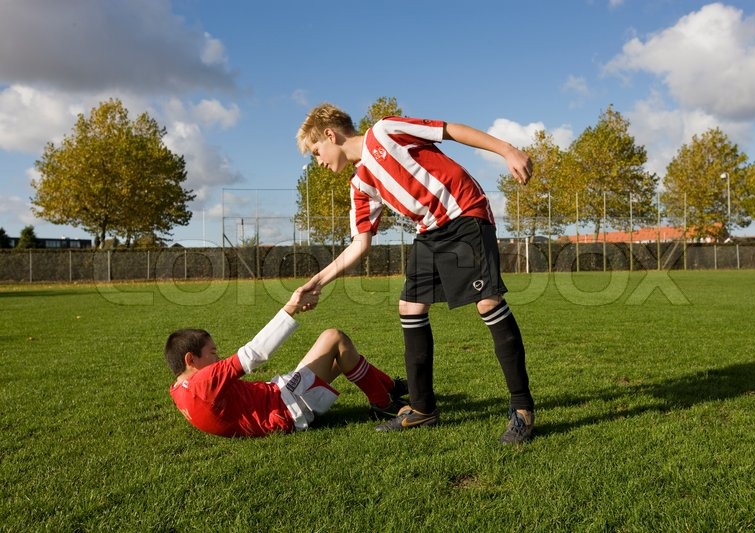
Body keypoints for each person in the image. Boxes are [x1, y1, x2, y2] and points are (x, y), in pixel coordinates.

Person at [295, 103, 535, 444]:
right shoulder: (360, 184)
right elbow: (359, 245)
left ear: (331, 135)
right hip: (429, 231)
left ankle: (522, 409)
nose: (318, 161)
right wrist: (315, 283)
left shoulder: (386, 130)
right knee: (410, 307)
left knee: (487, 302)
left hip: (463, 213)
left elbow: (449, 130)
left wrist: (507, 150)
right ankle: (423, 410)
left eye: (317, 151)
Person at [164, 288, 407, 437]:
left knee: (339, 356)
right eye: (212, 353)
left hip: (280, 399)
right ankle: (383, 403)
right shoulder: (202, 383)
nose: (217, 358)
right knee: (334, 337)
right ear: (191, 359)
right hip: (285, 407)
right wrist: (292, 307)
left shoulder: (179, 391)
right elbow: (255, 353)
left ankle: (389, 388)